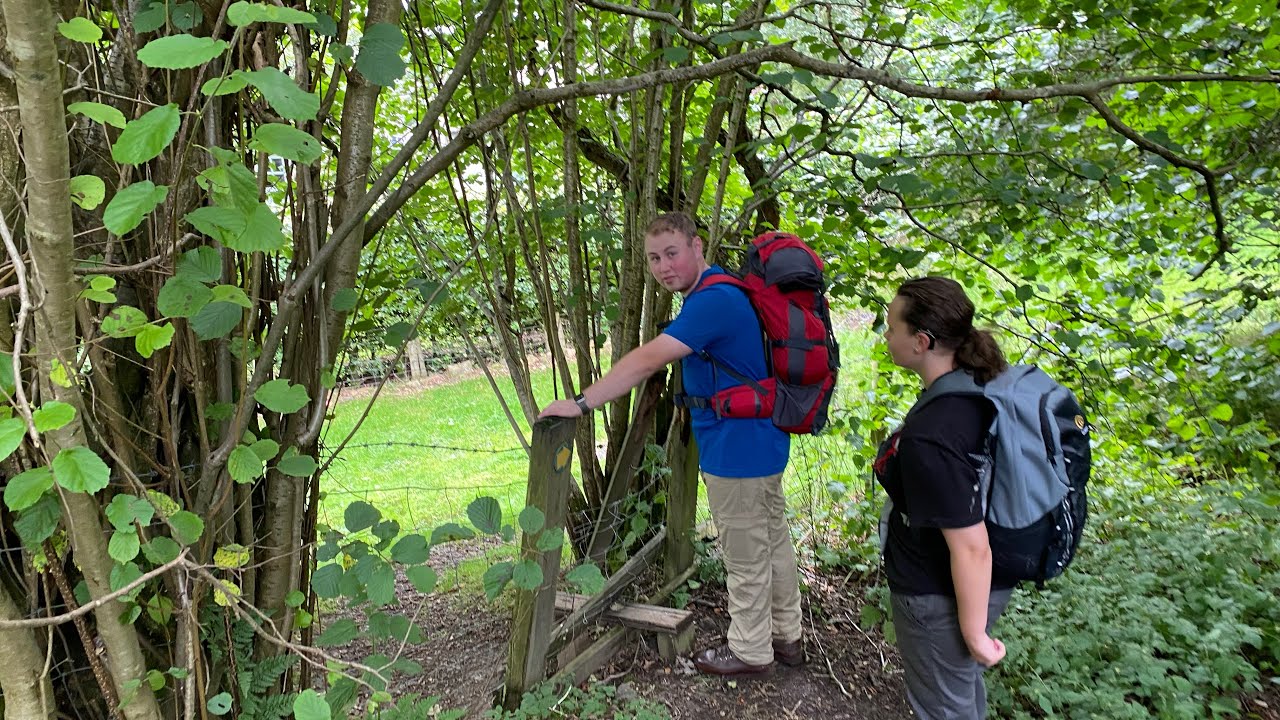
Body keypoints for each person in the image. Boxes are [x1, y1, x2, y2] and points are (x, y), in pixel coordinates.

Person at [539, 212, 803, 678]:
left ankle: (751, 650)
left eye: (672, 253)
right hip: (759, 443)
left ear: (697, 247)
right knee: (771, 544)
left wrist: (581, 403)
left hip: (738, 450)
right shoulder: (718, 291)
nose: (663, 266)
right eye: (654, 258)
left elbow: (647, 359)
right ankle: (786, 638)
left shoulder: (713, 301)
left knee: (745, 554)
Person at [873, 276, 1017, 719]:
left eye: (892, 328)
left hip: (939, 594)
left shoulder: (937, 430)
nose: (885, 336)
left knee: (943, 709)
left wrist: (972, 634)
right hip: (973, 586)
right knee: (958, 694)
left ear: (920, 341)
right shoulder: (979, 388)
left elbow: (970, 547)